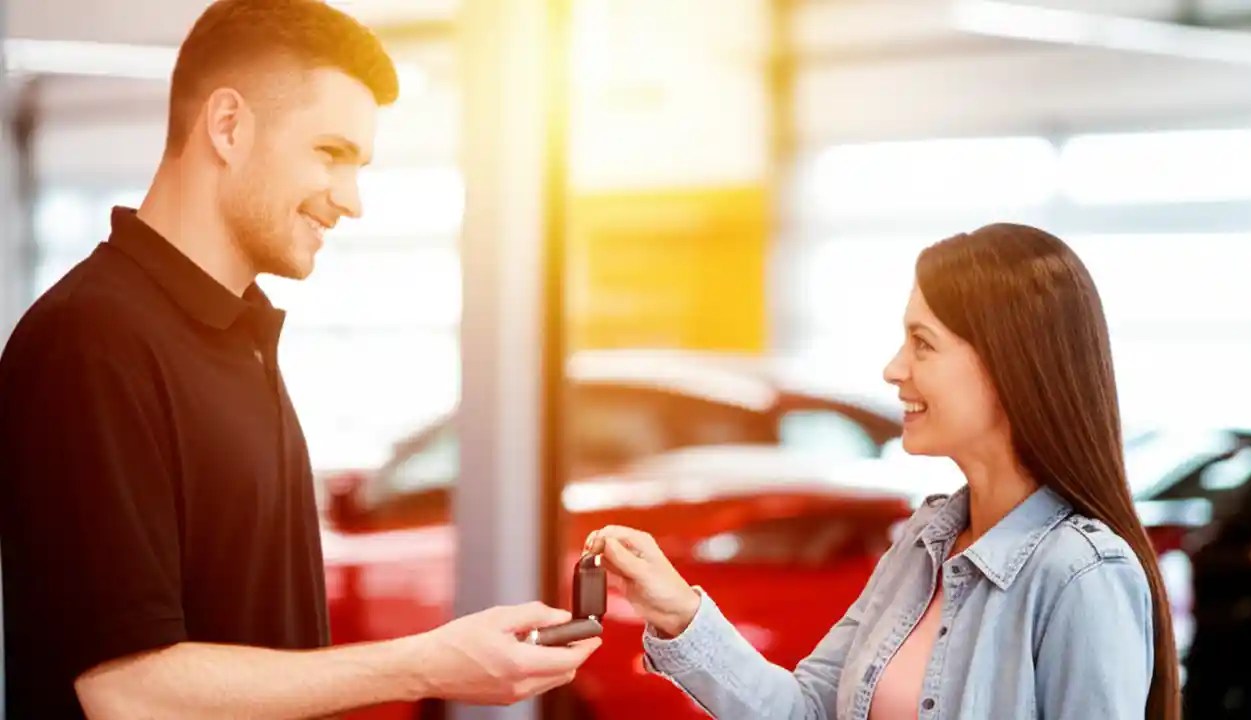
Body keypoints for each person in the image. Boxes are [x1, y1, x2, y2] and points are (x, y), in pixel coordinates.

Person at [0, 1, 597, 718]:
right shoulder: (91, 342)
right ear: (228, 126)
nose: (351, 200)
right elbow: (129, 695)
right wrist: (425, 665)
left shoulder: (238, 335)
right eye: (330, 153)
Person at [586, 224, 1180, 719]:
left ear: (1009, 363)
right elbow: (807, 711)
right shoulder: (921, 546)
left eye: (923, 343)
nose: (894, 369)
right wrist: (679, 615)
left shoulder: (1083, 575)